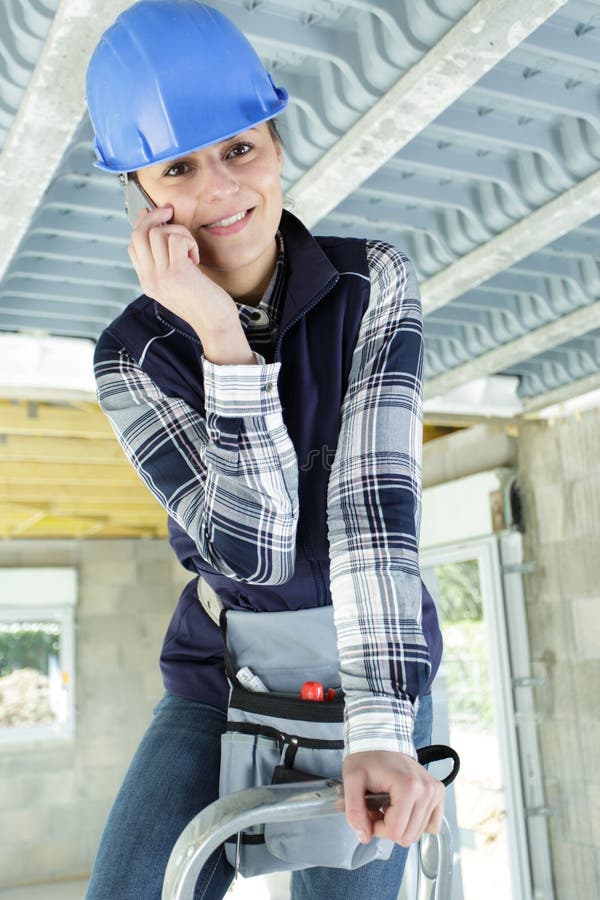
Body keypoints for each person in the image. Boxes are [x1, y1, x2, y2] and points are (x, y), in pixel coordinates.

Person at [84, 2, 445, 898]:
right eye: (178, 166)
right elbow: (255, 551)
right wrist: (221, 342)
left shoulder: (374, 283)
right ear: (142, 198)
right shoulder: (132, 356)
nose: (217, 189)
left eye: (239, 149)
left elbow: (370, 516)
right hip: (226, 671)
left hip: (377, 656)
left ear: (276, 147)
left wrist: (381, 731)